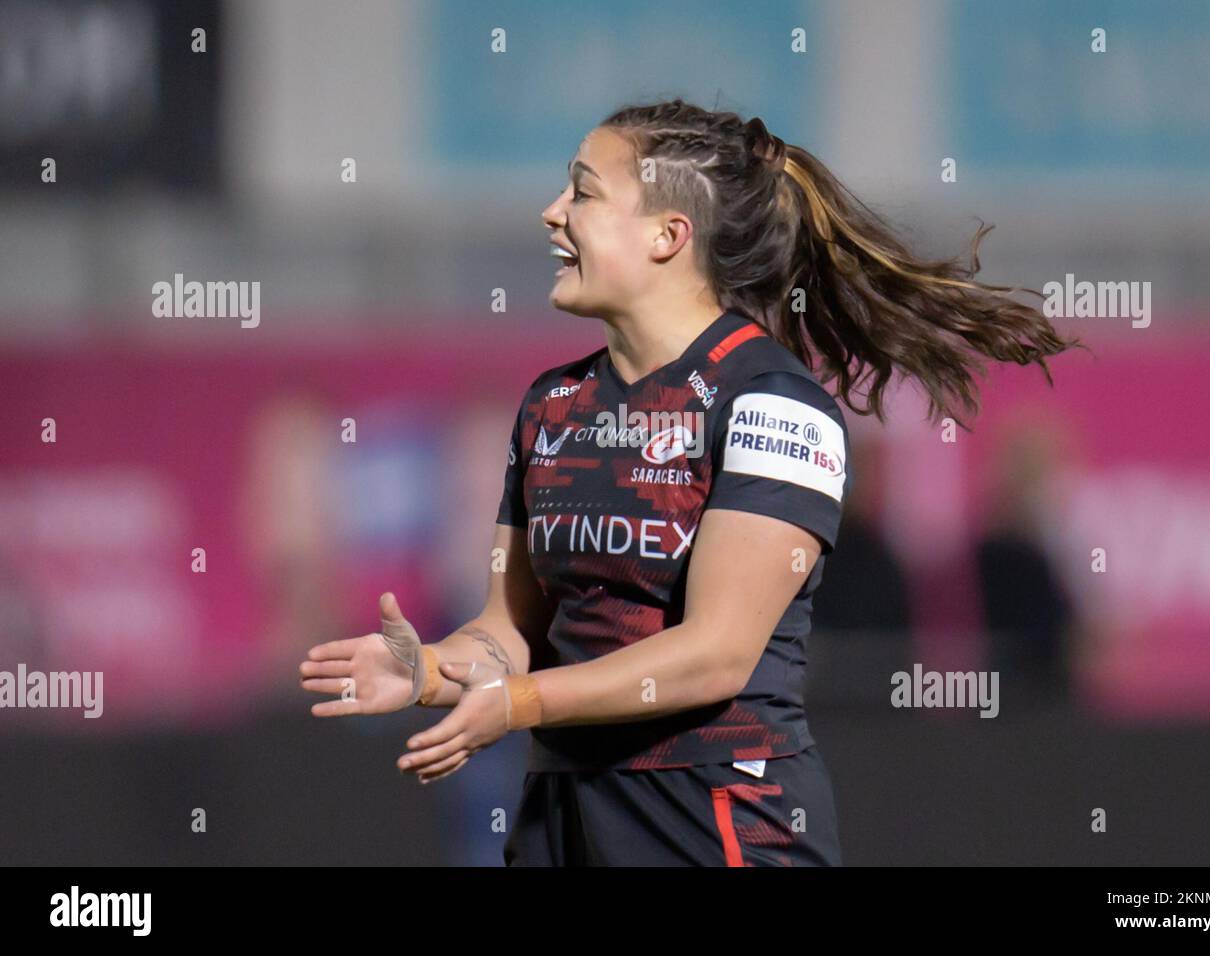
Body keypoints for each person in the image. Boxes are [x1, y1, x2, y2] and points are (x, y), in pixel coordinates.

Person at [298, 98, 1084, 866]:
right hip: (562, 818)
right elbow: (510, 633)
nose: (551, 212)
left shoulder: (774, 406)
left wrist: (523, 704)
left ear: (670, 236)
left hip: (716, 820)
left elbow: (716, 655)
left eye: (582, 191)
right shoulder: (552, 407)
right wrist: (429, 670)